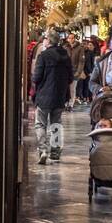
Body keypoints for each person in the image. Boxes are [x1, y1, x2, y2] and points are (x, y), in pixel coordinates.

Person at [31, 27, 72, 164]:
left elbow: (36, 77)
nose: (43, 41)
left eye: (45, 38)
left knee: (40, 124)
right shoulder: (65, 55)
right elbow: (70, 77)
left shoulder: (44, 56)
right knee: (56, 123)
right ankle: (55, 152)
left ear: (48, 40)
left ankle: (43, 150)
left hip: (44, 96)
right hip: (60, 96)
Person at [67, 33, 86, 108]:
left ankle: (71, 104)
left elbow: (81, 61)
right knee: (66, 89)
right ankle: (66, 102)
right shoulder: (66, 47)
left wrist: (78, 72)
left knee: (72, 88)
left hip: (75, 71)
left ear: (75, 39)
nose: (71, 39)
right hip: (66, 72)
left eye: (72, 38)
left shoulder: (80, 48)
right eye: (69, 38)